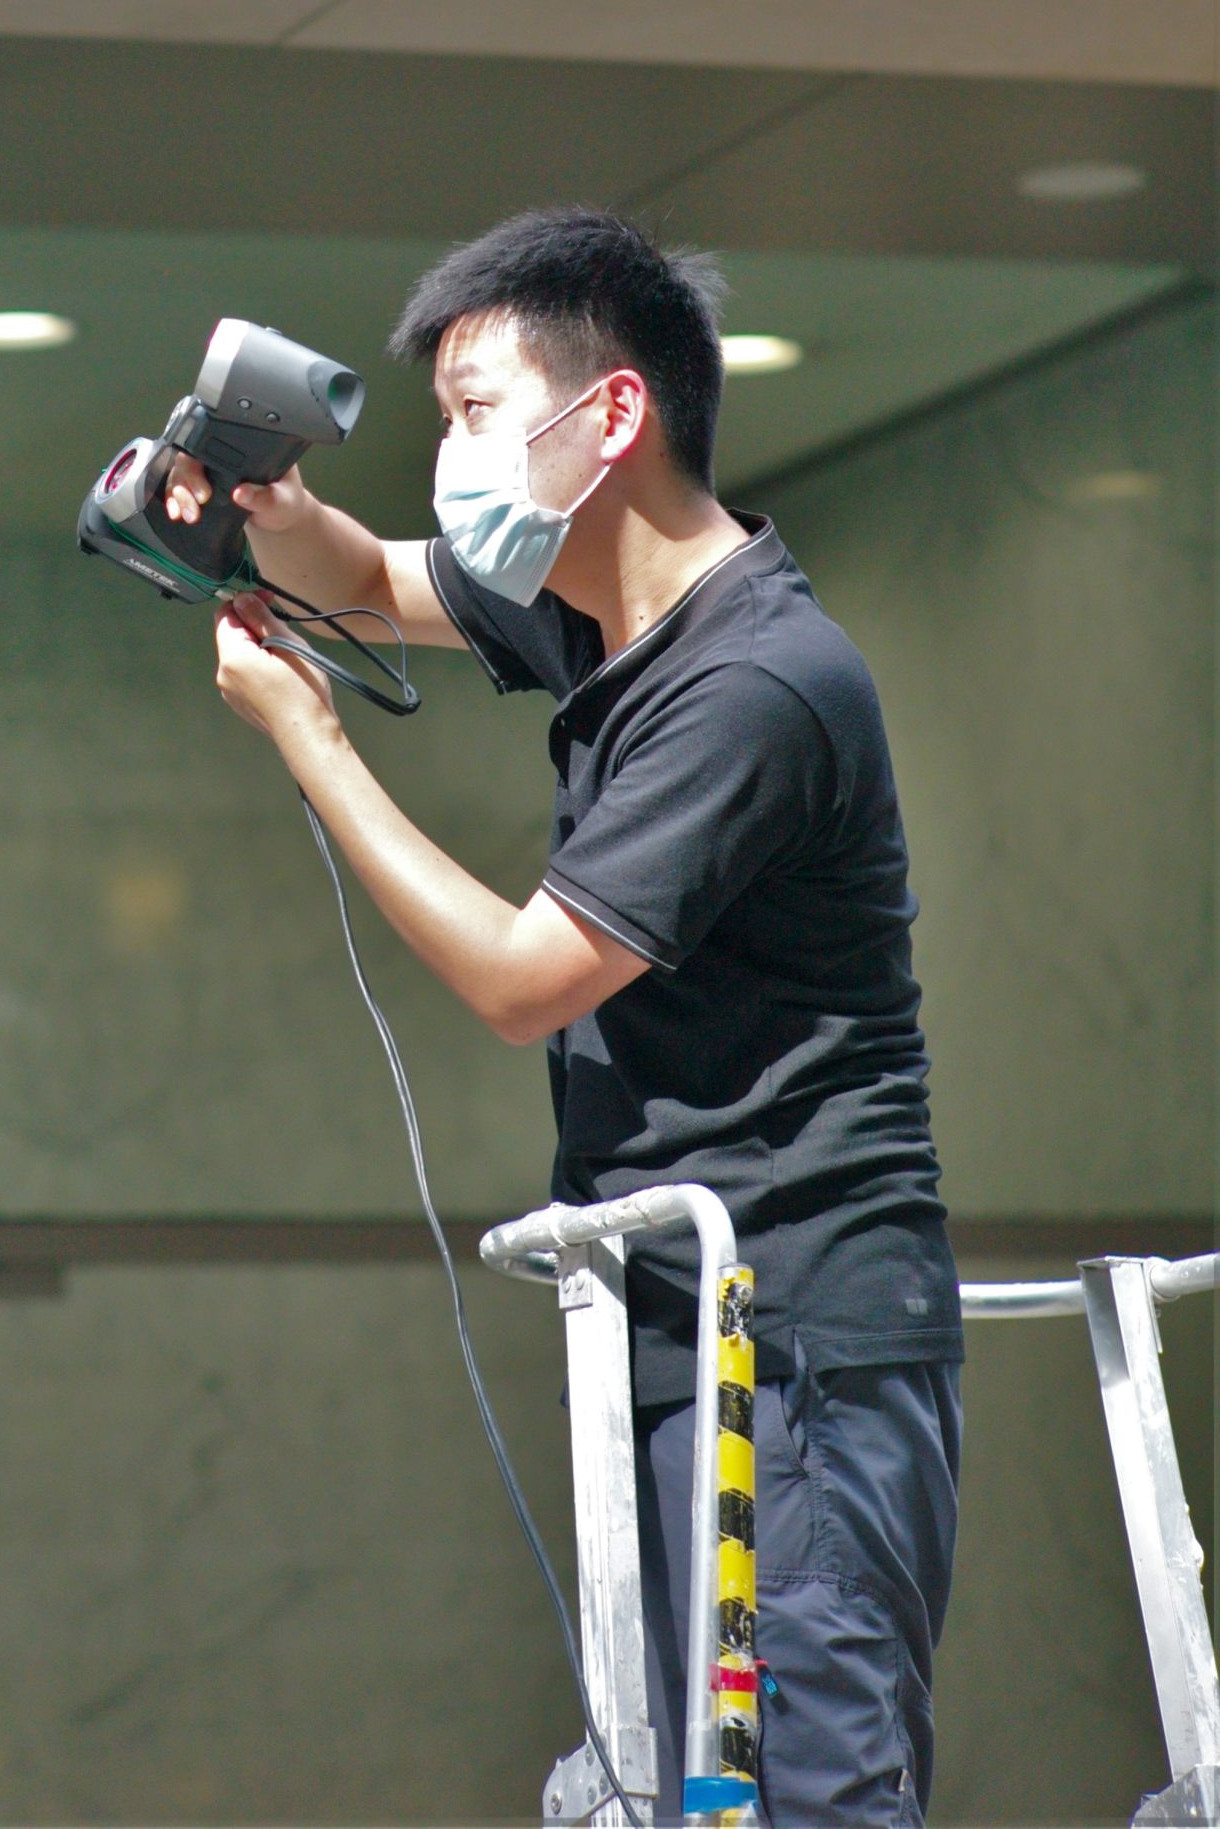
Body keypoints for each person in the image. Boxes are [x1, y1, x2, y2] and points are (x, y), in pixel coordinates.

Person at [169, 206, 961, 1829]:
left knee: (798, 1803)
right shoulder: (616, 606)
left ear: (612, 419)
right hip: (686, 1324)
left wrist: (309, 742)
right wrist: (263, 499)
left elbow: (530, 976)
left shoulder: (756, 679)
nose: (454, 460)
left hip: (795, 1340)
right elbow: (382, 580)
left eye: (473, 414)